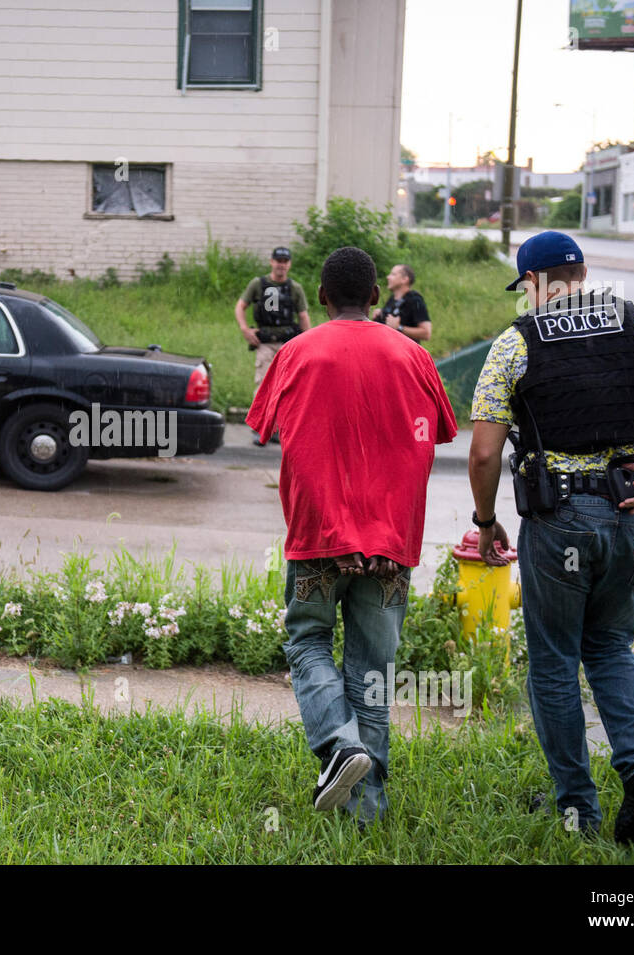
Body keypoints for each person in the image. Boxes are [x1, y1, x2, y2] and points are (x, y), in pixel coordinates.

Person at [467, 230, 634, 843]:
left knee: (555, 662)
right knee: (611, 647)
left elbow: (483, 454)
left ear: (532, 283)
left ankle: (576, 811)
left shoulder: (516, 343)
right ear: (581, 274)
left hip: (559, 520)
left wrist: (486, 524)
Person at [247, 247, 457, 823]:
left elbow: (266, 430)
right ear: (374, 298)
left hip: (318, 537)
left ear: (319, 296)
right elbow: (436, 435)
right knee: (372, 672)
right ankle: (367, 813)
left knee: (308, 643)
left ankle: (340, 745)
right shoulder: (414, 356)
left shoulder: (294, 353)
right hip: (393, 543)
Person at [236, 246, 311, 444]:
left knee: (286, 386)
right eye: (278, 260)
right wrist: (245, 329)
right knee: (262, 384)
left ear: (289, 264)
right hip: (265, 341)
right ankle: (260, 429)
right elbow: (240, 306)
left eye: (285, 261)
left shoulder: (295, 288)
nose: (281, 265)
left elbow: (303, 316)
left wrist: (308, 342)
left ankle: (277, 428)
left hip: (287, 343)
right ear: (271, 262)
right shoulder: (258, 284)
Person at [377, 264, 432, 342]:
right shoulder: (392, 298)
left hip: (406, 352)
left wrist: (399, 327)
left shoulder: (415, 300)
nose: (388, 277)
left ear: (404, 279)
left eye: (393, 274)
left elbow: (426, 333)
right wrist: (380, 315)